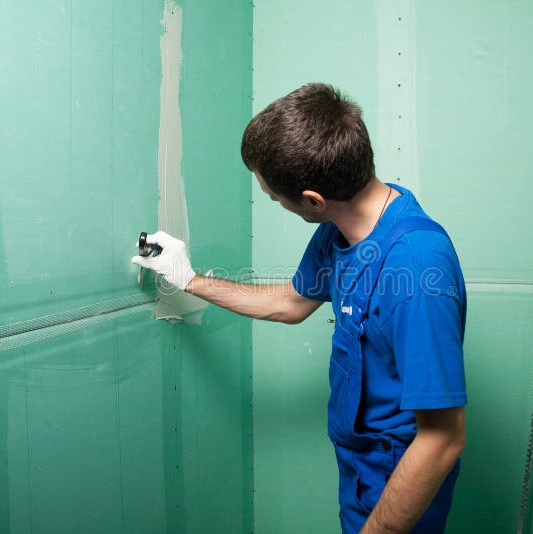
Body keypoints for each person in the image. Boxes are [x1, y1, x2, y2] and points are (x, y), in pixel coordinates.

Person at [132, 83, 467, 533]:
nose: (275, 202)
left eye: (275, 198)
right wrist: (188, 279)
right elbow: (290, 303)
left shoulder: (416, 263)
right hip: (359, 462)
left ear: (313, 200)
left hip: (404, 472)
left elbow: (442, 439)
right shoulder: (340, 228)